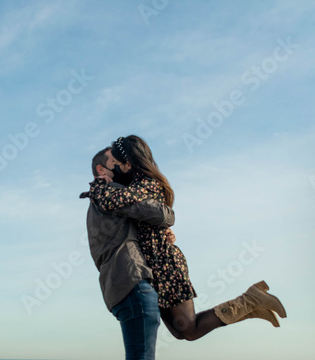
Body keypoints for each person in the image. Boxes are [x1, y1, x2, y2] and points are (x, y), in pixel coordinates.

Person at [85, 135, 287, 341]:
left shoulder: (146, 184)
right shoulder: (138, 185)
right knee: (184, 331)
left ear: (129, 163)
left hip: (164, 264)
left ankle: (250, 300)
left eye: (117, 164)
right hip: (153, 267)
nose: (116, 169)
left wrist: (99, 187)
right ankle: (250, 307)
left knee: (188, 330)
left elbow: (115, 199)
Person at [83, 147, 177, 360]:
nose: (123, 167)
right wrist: (166, 220)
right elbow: (162, 213)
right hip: (133, 282)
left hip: (122, 284)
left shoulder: (106, 200)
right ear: (102, 171)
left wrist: (163, 233)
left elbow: (151, 223)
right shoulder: (108, 194)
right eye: (116, 163)